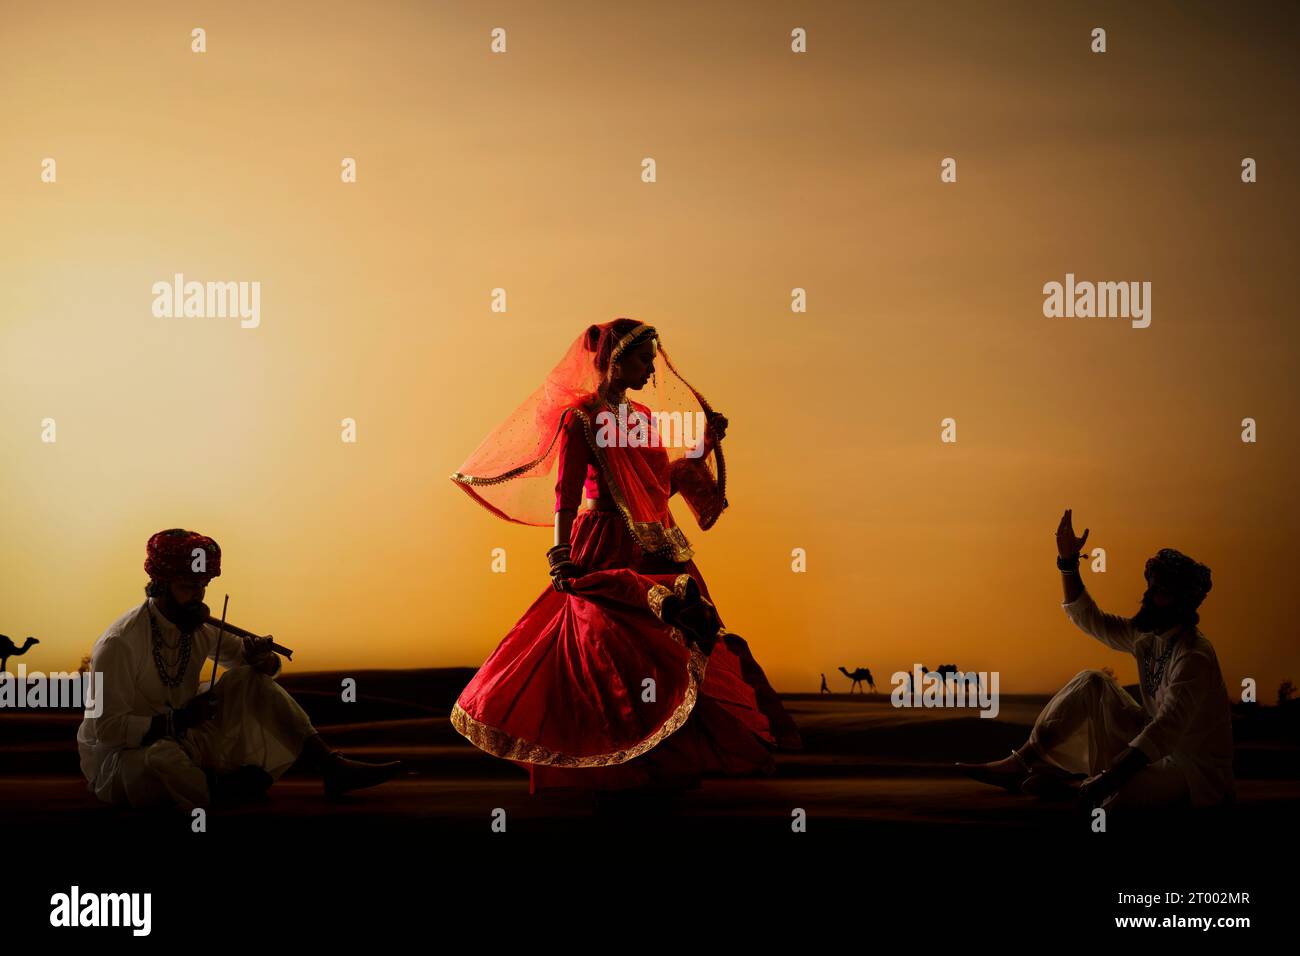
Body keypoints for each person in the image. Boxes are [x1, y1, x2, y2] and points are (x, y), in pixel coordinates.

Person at [449, 318, 801, 800]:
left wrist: (702, 447)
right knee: (606, 650)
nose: (651, 367)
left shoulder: (643, 420)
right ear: (612, 361)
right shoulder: (582, 421)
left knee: (670, 650)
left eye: (652, 358)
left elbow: (658, 489)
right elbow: (565, 493)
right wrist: (561, 554)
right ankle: (610, 769)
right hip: (601, 544)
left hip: (654, 549)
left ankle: (655, 766)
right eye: (642, 358)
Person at [77, 528, 402, 811]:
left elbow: (258, 667)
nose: (199, 595)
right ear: (160, 584)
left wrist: (263, 660)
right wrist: (181, 720)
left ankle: (330, 765)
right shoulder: (119, 643)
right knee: (161, 759)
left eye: (203, 584)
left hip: (184, 736)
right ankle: (219, 789)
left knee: (247, 679)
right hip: (124, 759)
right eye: (189, 584)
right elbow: (108, 730)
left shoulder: (197, 624)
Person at [958, 509, 1235, 812]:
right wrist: (1067, 563)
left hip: (1193, 774)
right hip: (1153, 749)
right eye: (1151, 586)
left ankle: (1079, 790)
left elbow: (1165, 730)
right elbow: (1092, 620)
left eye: (1161, 592)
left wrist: (1108, 780)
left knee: (1115, 796)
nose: (1149, 595)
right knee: (1092, 681)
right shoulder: (1147, 637)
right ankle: (1021, 763)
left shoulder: (1194, 655)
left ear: (1182, 603)